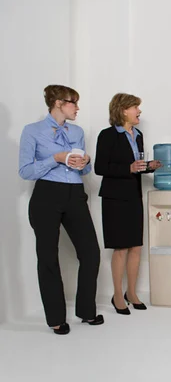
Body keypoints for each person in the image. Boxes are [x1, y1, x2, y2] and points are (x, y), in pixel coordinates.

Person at [19, 84, 104, 335]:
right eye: (73, 102)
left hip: (75, 194)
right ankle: (56, 318)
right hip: (46, 195)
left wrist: (86, 162)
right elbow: (25, 171)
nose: (77, 107)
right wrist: (55, 158)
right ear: (58, 103)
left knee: (90, 253)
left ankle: (86, 311)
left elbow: (84, 170)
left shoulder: (76, 132)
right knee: (48, 257)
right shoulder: (32, 131)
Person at [94, 93, 161, 315]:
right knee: (121, 248)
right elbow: (100, 167)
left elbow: (136, 164)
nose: (139, 111)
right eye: (135, 108)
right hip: (114, 198)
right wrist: (128, 169)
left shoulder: (138, 134)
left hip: (133, 195)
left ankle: (131, 293)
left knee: (136, 246)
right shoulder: (108, 135)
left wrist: (149, 166)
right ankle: (116, 294)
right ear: (123, 110)